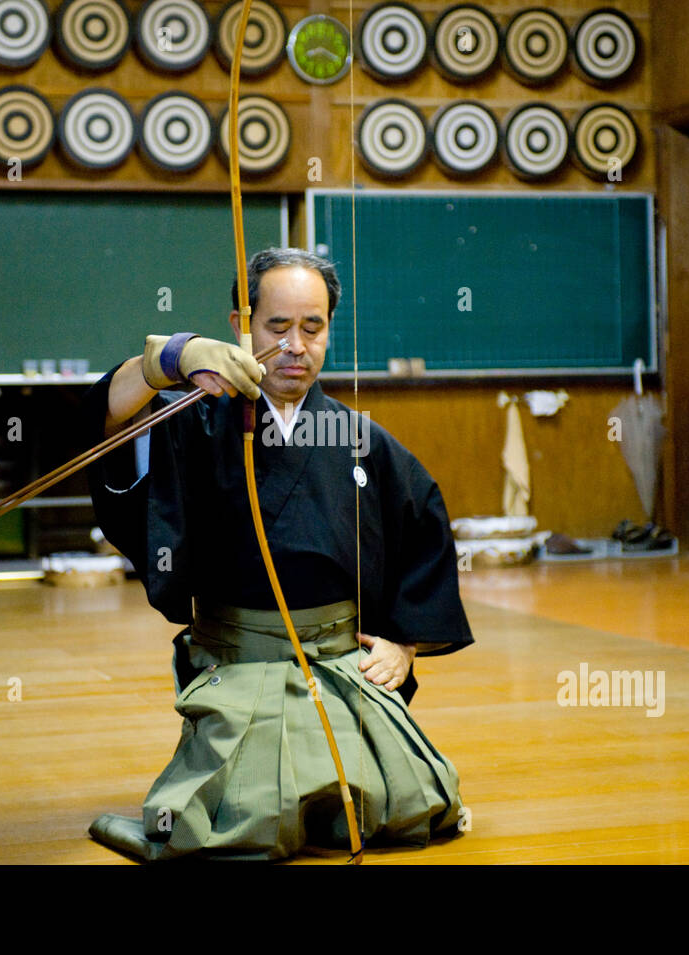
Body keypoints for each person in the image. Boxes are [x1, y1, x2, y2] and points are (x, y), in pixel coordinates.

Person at [83, 247, 473, 861]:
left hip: (339, 666)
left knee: (412, 802)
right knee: (245, 822)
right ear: (242, 325)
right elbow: (105, 419)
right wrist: (169, 360)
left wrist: (404, 641)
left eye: (312, 327)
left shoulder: (355, 434)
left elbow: (420, 526)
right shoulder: (196, 419)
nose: (296, 346)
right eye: (277, 326)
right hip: (240, 667)